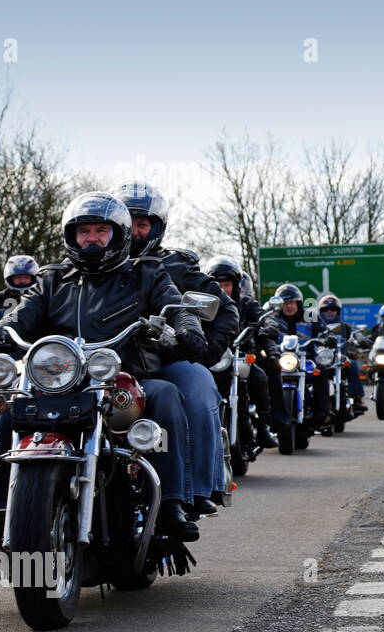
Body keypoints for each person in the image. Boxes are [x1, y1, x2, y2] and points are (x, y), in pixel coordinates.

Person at [0, 193, 203, 542]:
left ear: (117, 234)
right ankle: (2, 509)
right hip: (57, 381)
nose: (91, 238)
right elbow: (19, 318)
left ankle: (169, 504)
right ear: (71, 236)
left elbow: (175, 307)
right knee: (5, 404)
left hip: (122, 378)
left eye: (100, 230)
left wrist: (185, 328)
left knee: (165, 395)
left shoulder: (146, 273)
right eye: (84, 231)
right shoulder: (51, 279)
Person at [116, 182, 238, 516]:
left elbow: (224, 309)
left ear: (157, 228)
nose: (136, 231)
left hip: (167, 360)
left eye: (144, 224)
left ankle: (197, 488)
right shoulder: (88, 266)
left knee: (198, 386)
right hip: (107, 361)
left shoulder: (176, 267)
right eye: (130, 222)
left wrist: (202, 352)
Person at [203, 255, 282, 448]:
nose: (222, 289)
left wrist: (268, 325)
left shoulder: (246, 304)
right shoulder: (203, 306)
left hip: (240, 358)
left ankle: (262, 427)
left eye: (227, 284)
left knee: (259, 377)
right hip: (211, 358)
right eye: (217, 284)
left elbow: (265, 317)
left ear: (236, 286)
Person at [270, 283, 332, 426]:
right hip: (280, 361)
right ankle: (266, 416)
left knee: (321, 371)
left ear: (298, 302)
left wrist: (328, 338)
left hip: (307, 360)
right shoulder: (273, 319)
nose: (288, 306)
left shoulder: (310, 316)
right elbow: (265, 331)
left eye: (291, 302)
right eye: (285, 303)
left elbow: (324, 331)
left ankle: (322, 413)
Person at [316, 293, 367, 412]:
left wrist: (361, 339)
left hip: (339, 357)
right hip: (321, 359)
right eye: (326, 309)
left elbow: (355, 334)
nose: (329, 312)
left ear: (338, 311)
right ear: (320, 311)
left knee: (353, 364)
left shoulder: (345, 326)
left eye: (333, 309)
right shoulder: (314, 326)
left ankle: (357, 398)